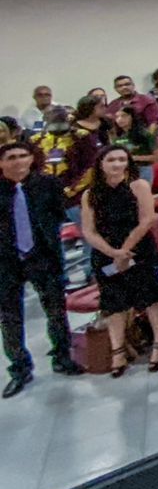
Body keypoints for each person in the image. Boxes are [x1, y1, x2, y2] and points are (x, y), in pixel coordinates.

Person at [0, 142, 84, 397]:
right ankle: (20, 368)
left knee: (56, 310)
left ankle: (62, 356)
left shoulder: (47, 184)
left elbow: (59, 215)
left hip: (43, 256)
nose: (17, 162)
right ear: (1, 163)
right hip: (7, 261)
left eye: (22, 156)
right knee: (10, 318)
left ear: (32, 159)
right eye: (10, 157)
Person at [81, 147, 158, 377]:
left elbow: (147, 219)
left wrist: (124, 251)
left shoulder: (138, 186)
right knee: (113, 302)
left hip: (137, 249)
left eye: (122, 159)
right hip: (105, 252)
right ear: (101, 164)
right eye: (111, 159)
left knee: (150, 295)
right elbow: (89, 231)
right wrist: (112, 252)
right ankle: (118, 351)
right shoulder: (90, 194)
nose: (117, 164)